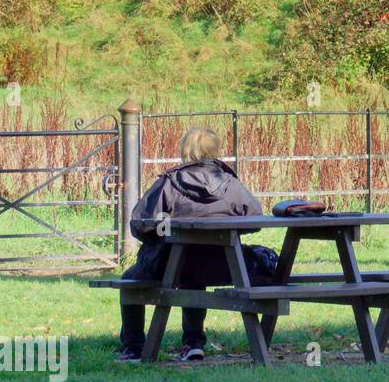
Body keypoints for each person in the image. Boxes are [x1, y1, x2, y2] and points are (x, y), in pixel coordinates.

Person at [117, 128, 278, 362]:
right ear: (215, 149)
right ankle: (193, 344)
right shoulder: (231, 184)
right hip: (223, 266)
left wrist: (160, 236)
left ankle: (134, 348)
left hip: (171, 266)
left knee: (129, 282)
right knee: (195, 280)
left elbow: (140, 224)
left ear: (185, 150)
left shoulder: (169, 183)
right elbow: (254, 219)